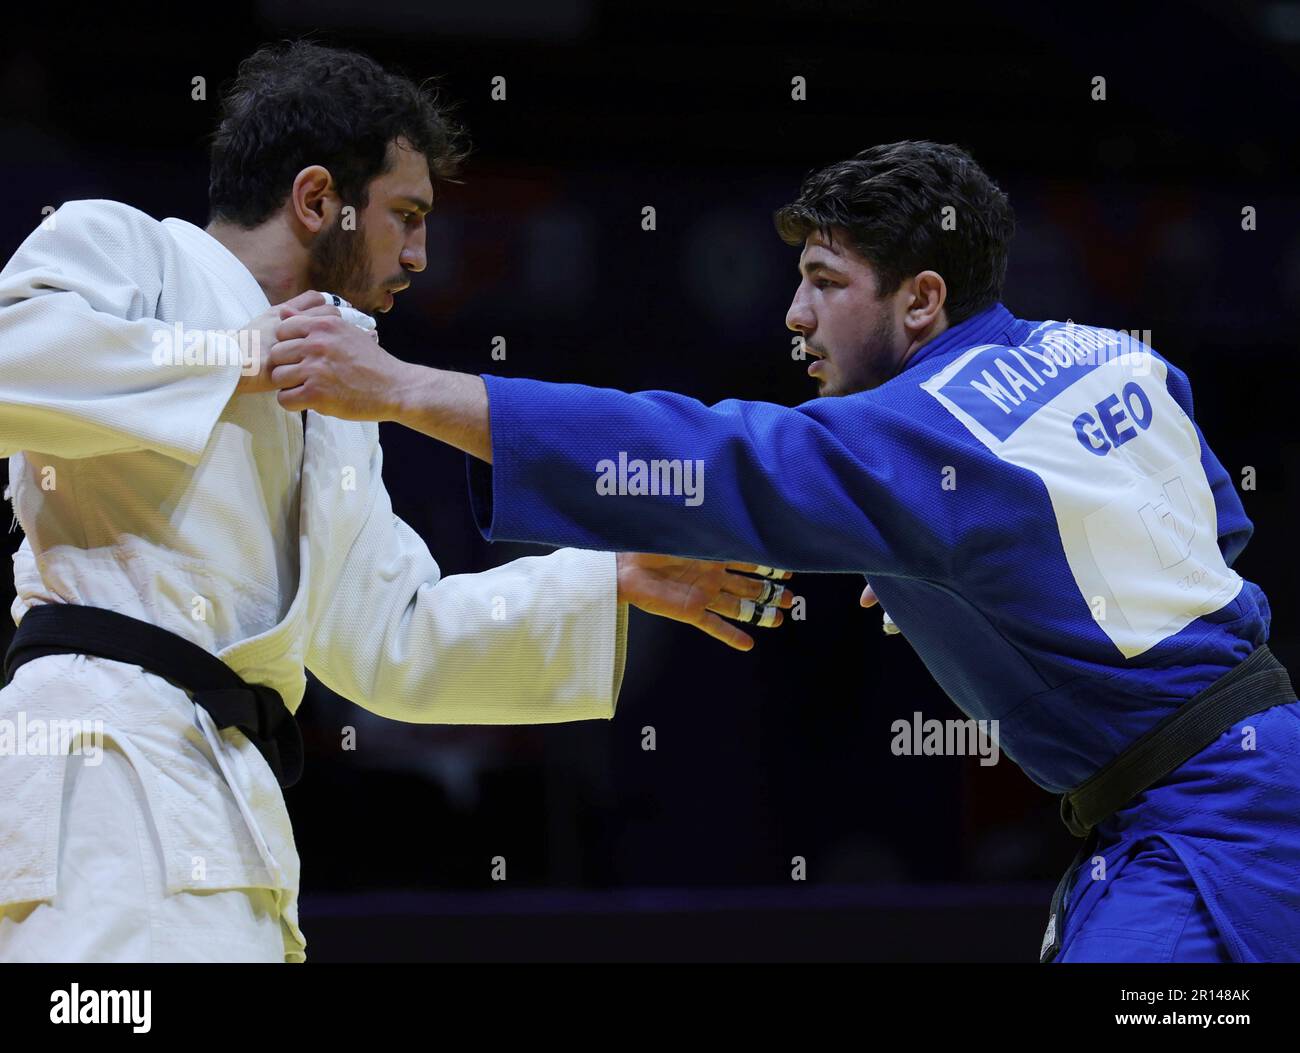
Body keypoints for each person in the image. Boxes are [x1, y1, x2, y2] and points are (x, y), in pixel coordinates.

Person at [268, 140, 1300, 962]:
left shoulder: (929, 435)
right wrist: (982, 583)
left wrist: (404, 390)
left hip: (1211, 826)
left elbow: (709, 456)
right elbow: (1208, 529)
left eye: (822, 282)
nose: (794, 317)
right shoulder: (1109, 355)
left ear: (922, 300)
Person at [0, 41, 791, 964]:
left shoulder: (338, 399)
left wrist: (610, 581)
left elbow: (391, 636)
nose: (419, 254)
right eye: (405, 216)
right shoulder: (129, 247)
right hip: (99, 773)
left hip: (228, 807)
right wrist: (240, 356)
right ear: (315, 199)